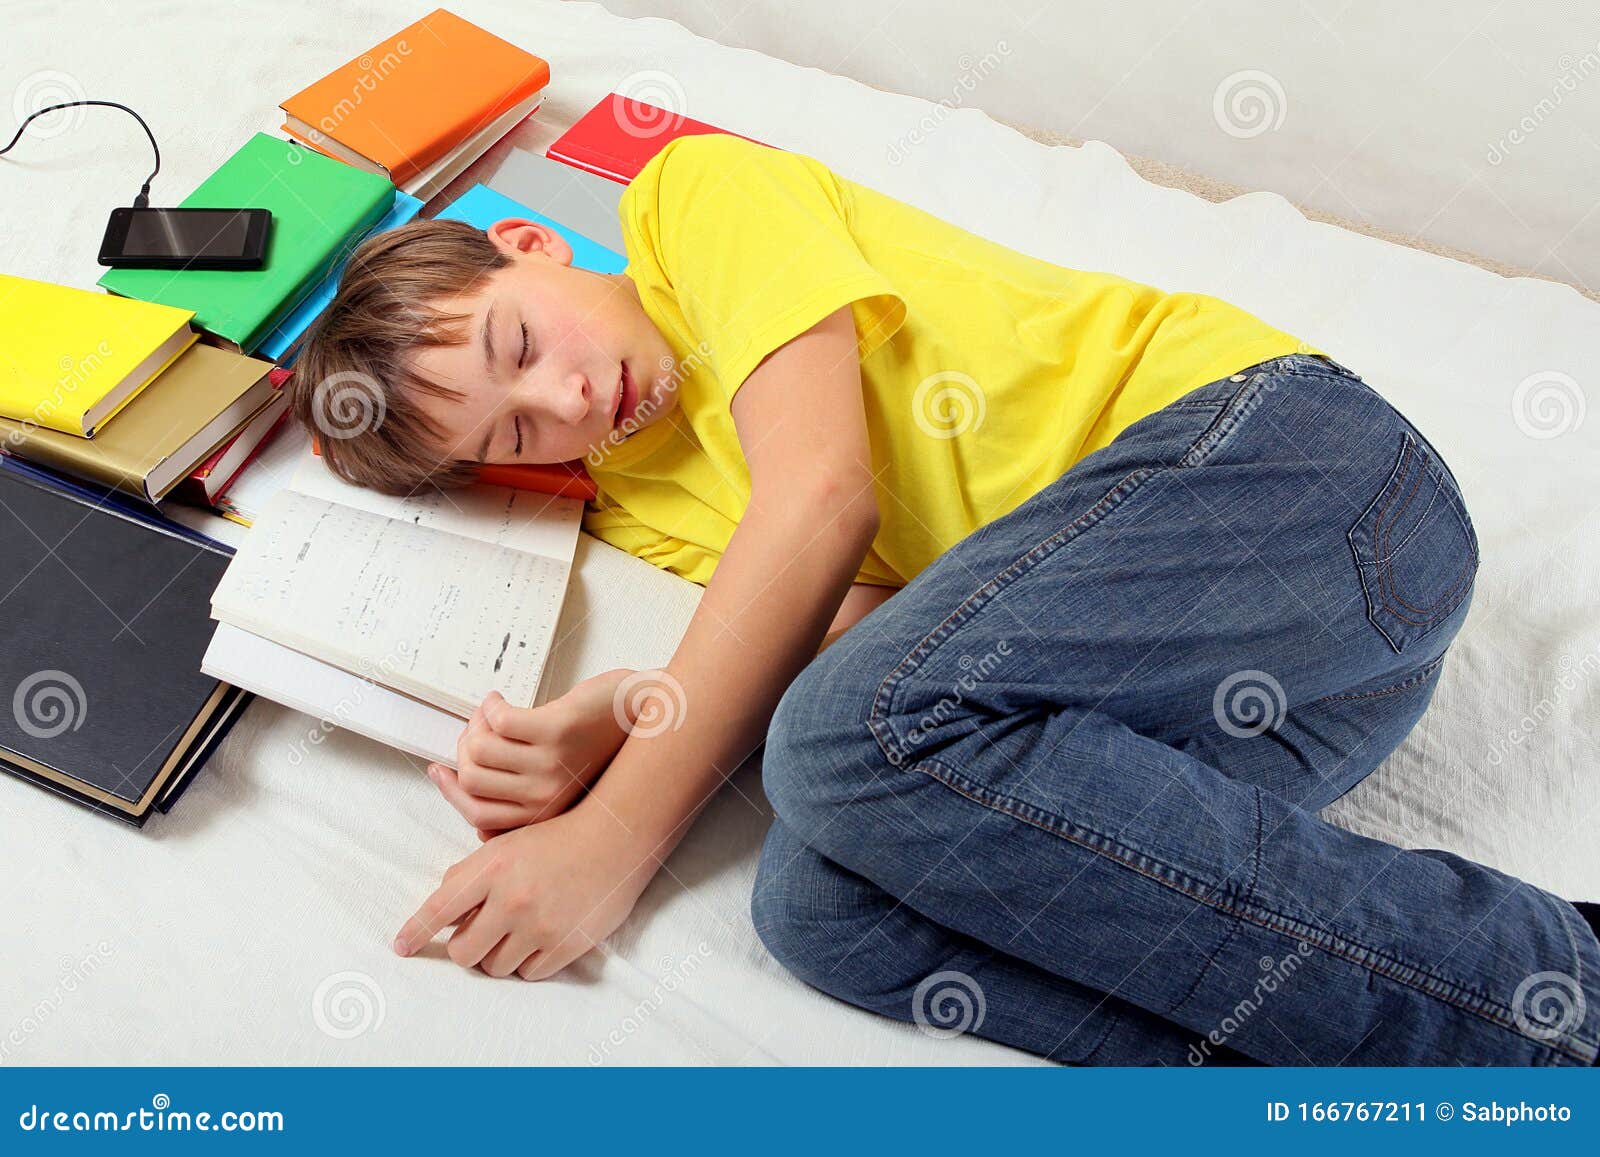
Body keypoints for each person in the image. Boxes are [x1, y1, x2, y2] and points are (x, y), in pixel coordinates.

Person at [287, 132, 1600, 1065]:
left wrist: (611, 837)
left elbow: (823, 499)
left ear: (528, 248)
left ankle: (1565, 992)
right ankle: (1413, 1082)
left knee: (837, 743)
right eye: (514, 437)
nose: (567, 403)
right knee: (827, 912)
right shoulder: (639, 495)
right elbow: (854, 630)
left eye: (520, 346)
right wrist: (623, 705)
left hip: (1312, 488)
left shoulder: (695, 206)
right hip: (1284, 702)